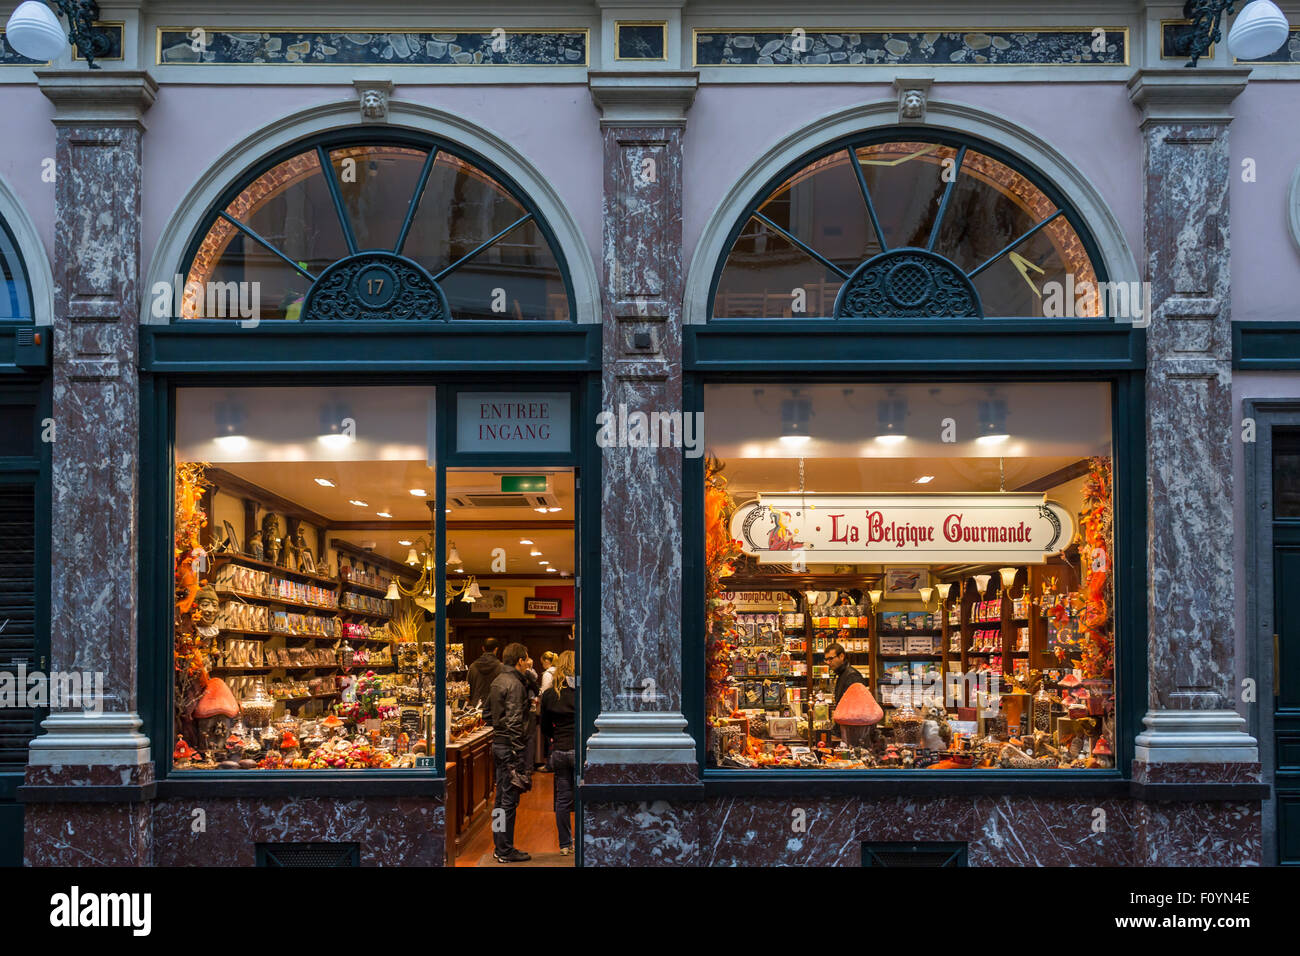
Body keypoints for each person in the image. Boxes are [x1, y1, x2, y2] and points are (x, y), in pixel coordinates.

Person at [488, 642, 532, 863]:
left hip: (498, 744)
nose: (529, 661)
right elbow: (515, 720)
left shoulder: (497, 681)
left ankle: (499, 845)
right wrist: (519, 752)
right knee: (509, 801)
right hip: (510, 748)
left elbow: (487, 712)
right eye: (527, 658)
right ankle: (505, 849)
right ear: (520, 661)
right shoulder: (514, 684)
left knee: (499, 799)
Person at [540, 650, 577, 855]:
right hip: (579, 749)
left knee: (563, 799)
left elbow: (544, 725)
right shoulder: (582, 690)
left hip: (560, 750)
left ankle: (564, 844)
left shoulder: (550, 694)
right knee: (582, 795)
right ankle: (582, 840)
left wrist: (553, 736)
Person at [824, 642, 870, 749]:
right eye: (826, 660)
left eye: (831, 659)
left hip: (853, 733)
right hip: (848, 730)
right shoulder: (842, 674)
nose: (828, 662)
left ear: (841, 656)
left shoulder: (852, 676)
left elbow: (857, 709)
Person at [467, 637, 503, 718]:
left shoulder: (473, 667)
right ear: (496, 649)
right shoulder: (501, 667)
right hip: (495, 709)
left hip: (476, 709)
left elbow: (467, 690)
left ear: (483, 648)